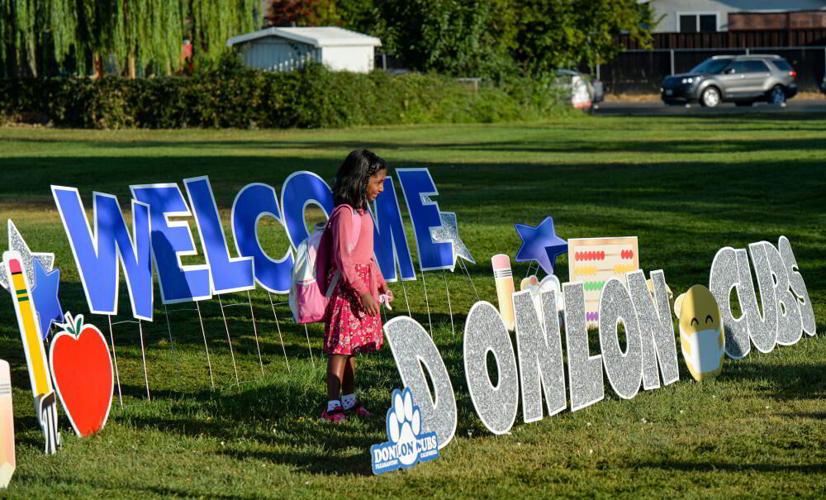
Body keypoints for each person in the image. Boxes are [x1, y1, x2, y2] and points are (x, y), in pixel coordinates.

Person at [321, 149, 393, 423]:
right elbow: (343, 259)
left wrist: (381, 285)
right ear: (361, 180)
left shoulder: (363, 213)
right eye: (378, 182)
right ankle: (332, 406)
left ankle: (349, 402)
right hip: (346, 291)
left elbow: (368, 257)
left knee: (351, 349)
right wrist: (362, 292)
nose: (381, 188)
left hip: (361, 287)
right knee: (339, 349)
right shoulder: (344, 214)